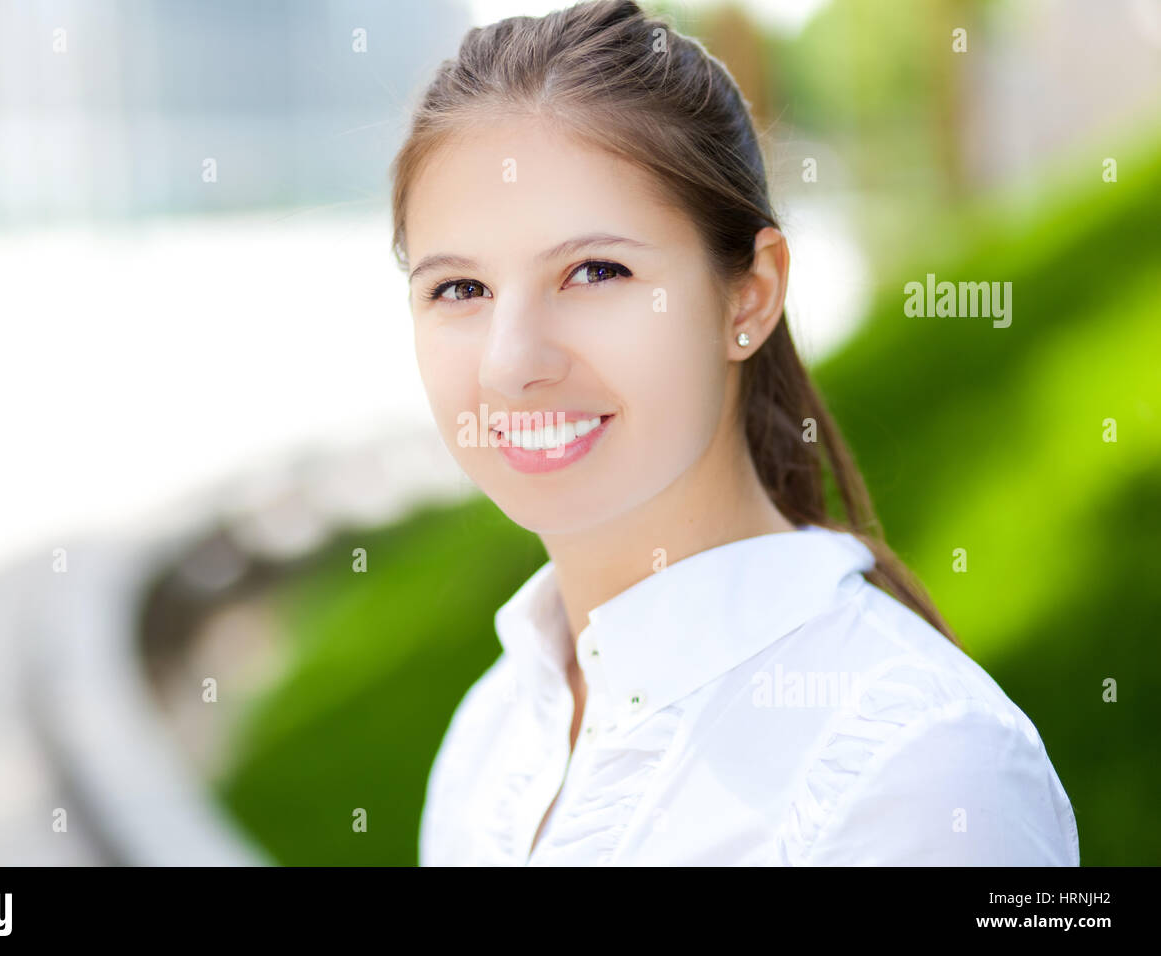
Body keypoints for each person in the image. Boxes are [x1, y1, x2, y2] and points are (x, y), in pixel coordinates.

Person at [390, 0, 1078, 865]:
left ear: (749, 295)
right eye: (459, 288)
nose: (510, 363)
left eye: (595, 271)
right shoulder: (489, 736)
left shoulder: (922, 767)